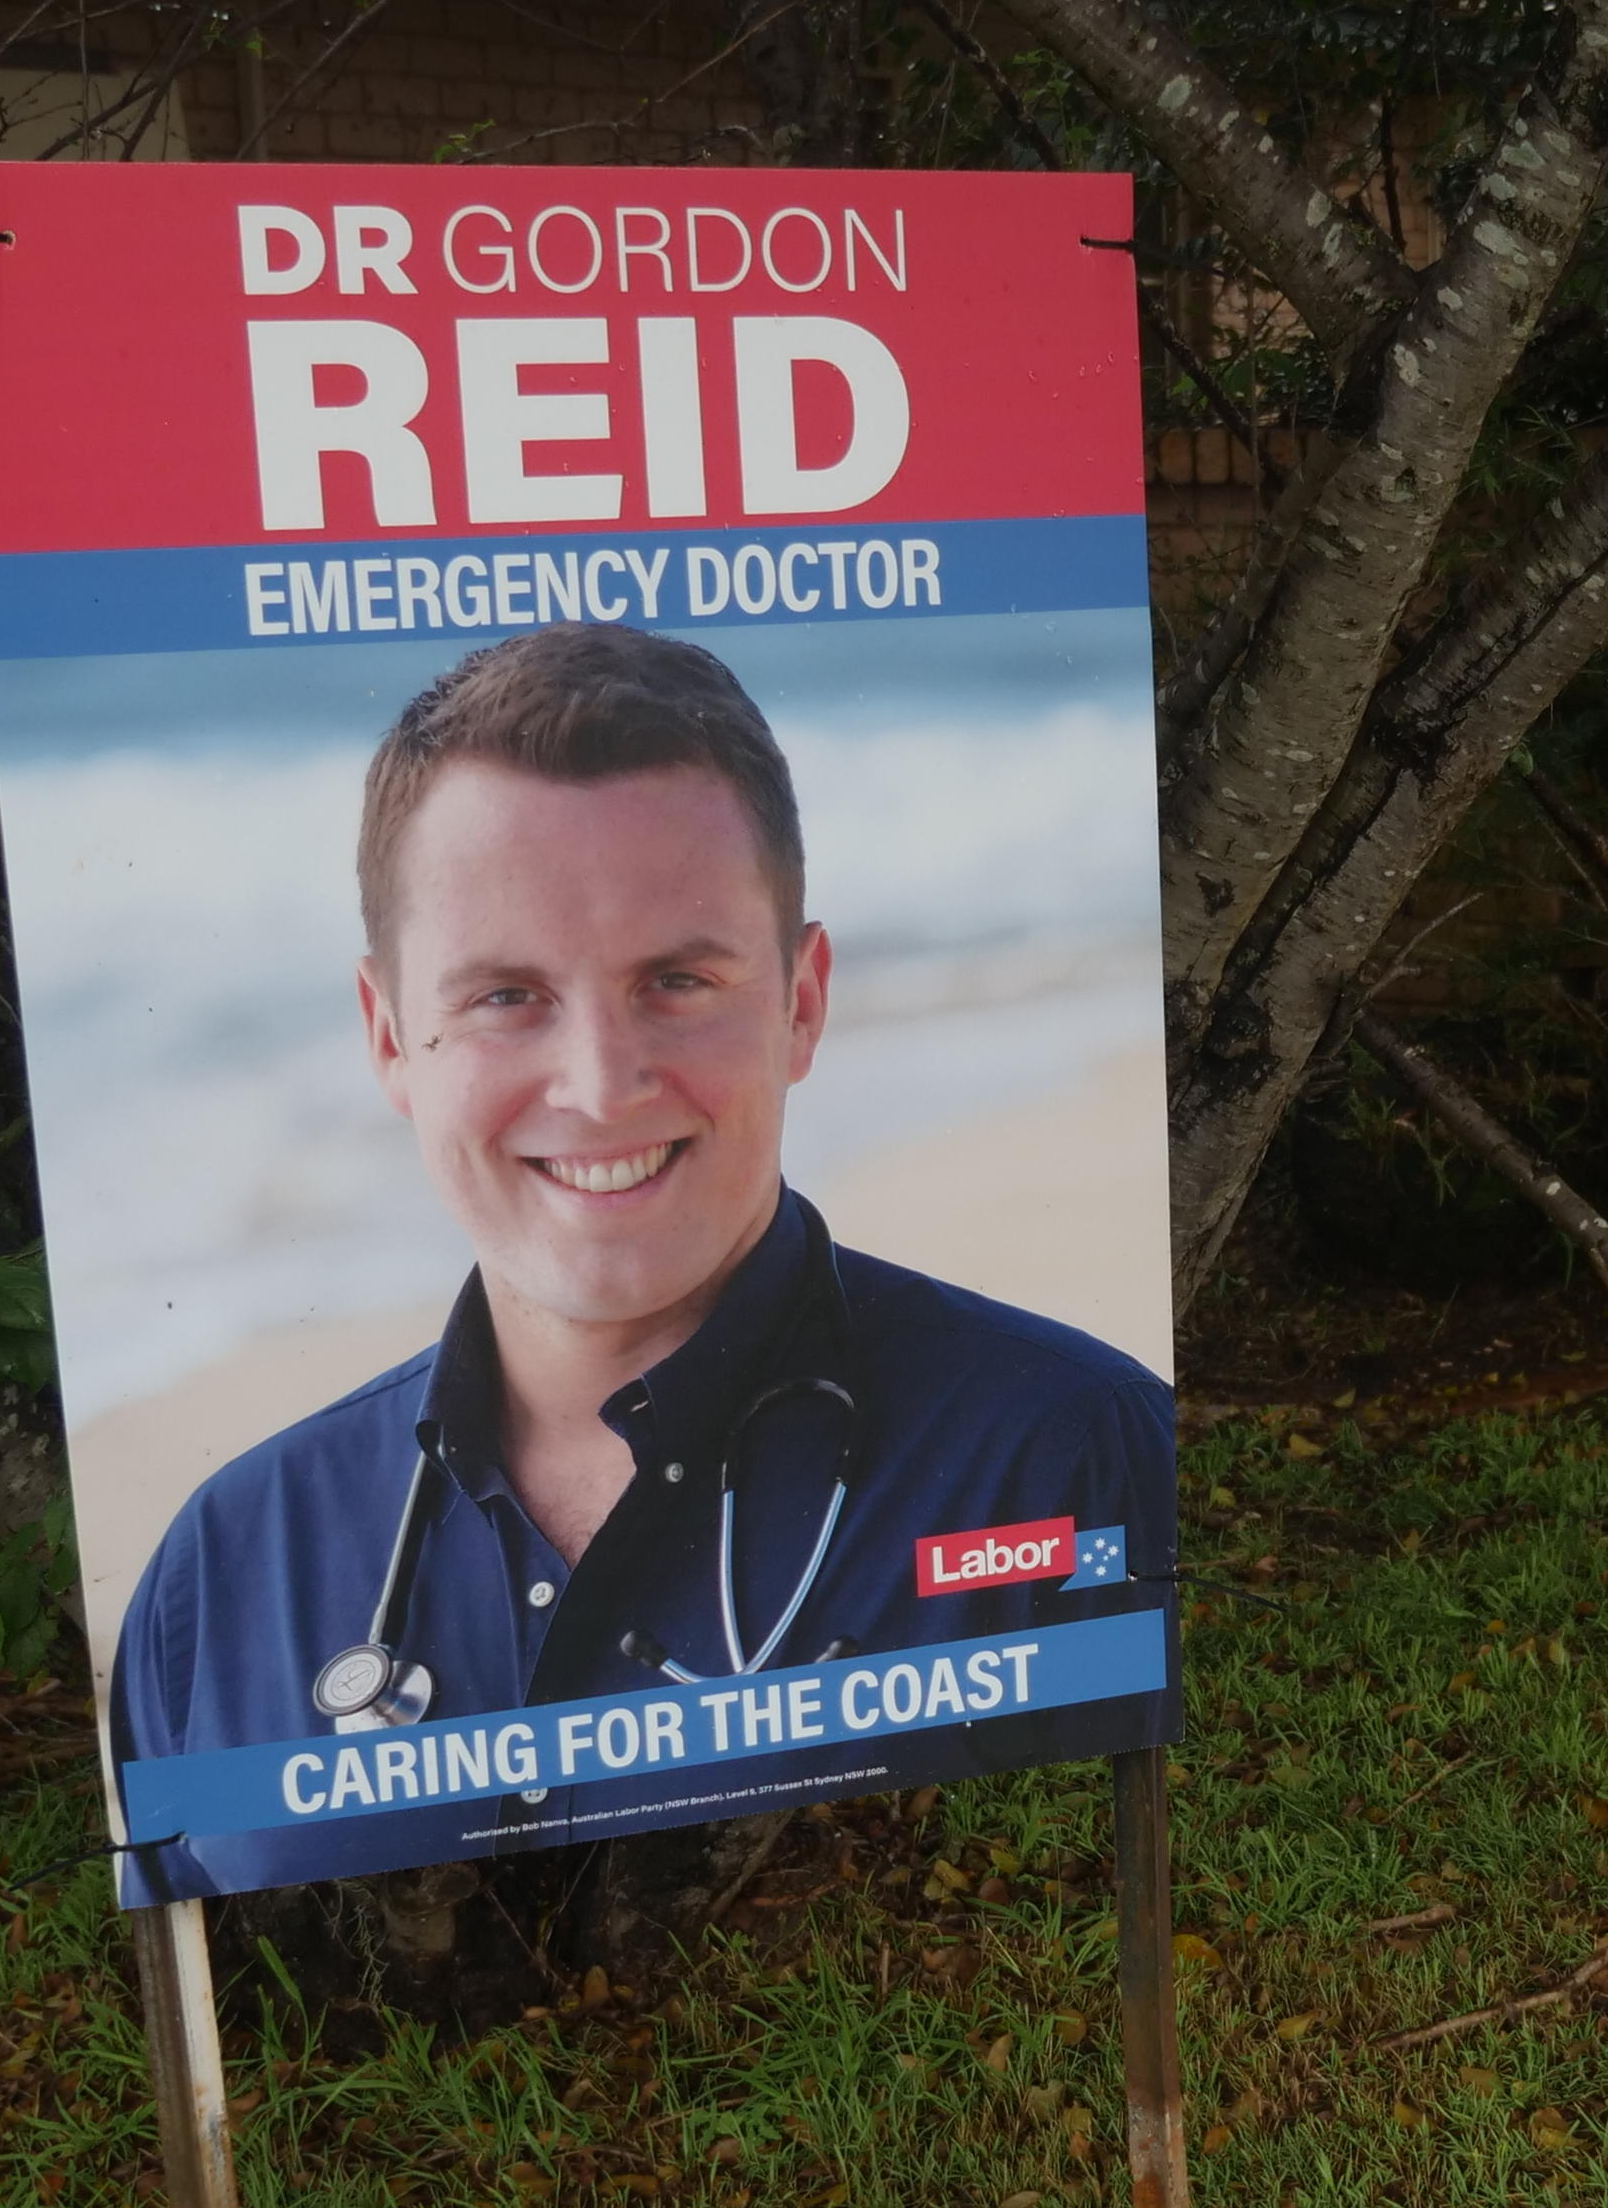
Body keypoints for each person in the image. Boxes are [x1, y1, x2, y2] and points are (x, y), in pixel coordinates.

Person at [108, 624, 1175, 1896]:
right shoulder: (222, 1572)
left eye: (676, 978)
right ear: (389, 1037)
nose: (602, 1086)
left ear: (801, 1001)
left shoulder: (1077, 1464)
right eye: (505, 996)